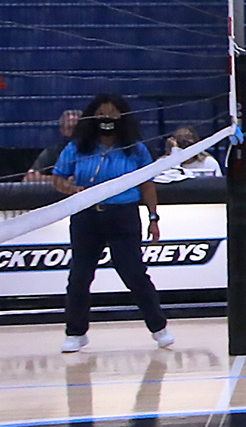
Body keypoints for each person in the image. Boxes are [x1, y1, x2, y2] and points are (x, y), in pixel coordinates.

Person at [51, 94, 174, 354]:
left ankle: (159, 327)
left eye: (113, 114)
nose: (107, 119)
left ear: (123, 118)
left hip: (123, 216)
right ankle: (75, 333)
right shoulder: (76, 147)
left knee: (134, 274)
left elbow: (148, 184)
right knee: (80, 277)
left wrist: (153, 218)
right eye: (102, 114)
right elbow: (58, 178)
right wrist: (72, 190)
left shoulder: (136, 149)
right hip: (87, 217)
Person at [26, 109, 81, 178]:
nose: (74, 133)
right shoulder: (53, 151)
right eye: (69, 128)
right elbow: (29, 177)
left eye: (76, 128)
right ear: (61, 130)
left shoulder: (95, 150)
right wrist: (62, 181)